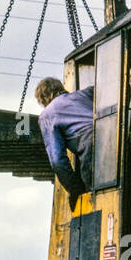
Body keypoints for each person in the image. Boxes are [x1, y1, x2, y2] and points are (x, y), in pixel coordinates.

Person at [35, 77, 95, 210]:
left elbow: (57, 161)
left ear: (42, 99)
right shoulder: (85, 94)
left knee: (93, 204)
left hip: (91, 151)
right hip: (116, 136)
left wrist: (75, 189)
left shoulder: (47, 115)